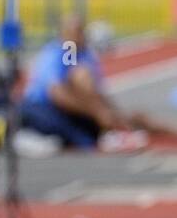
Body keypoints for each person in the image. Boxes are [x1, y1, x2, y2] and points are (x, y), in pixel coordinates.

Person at [19, 15, 177, 148]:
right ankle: (112, 130)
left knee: (134, 117)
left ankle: (164, 130)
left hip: (79, 108)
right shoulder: (55, 54)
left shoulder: (84, 55)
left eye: (81, 32)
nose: (79, 37)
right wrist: (98, 113)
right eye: (75, 32)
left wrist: (112, 113)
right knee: (86, 137)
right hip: (44, 109)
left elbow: (95, 92)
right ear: (64, 34)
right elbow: (57, 94)